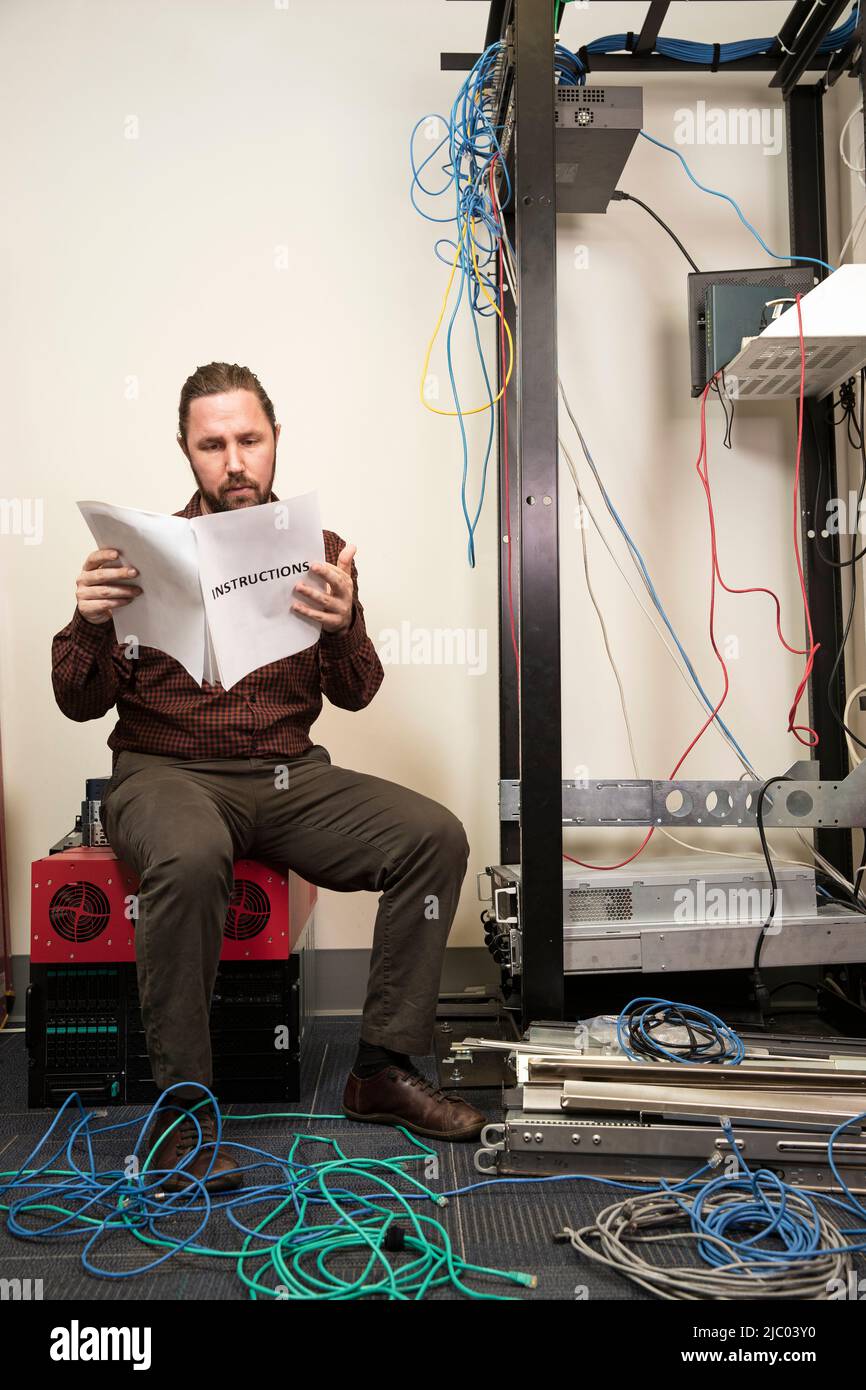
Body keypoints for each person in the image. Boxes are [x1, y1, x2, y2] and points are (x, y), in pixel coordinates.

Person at [50, 361, 486, 1193]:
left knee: (433, 835)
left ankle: (381, 1069)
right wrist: (89, 621)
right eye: (213, 444)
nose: (234, 460)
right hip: (165, 771)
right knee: (187, 855)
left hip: (289, 775)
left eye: (249, 439)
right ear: (186, 451)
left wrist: (347, 620)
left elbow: (357, 692)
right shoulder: (135, 553)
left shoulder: (318, 553)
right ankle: (184, 1107)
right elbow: (77, 703)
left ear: (275, 440)